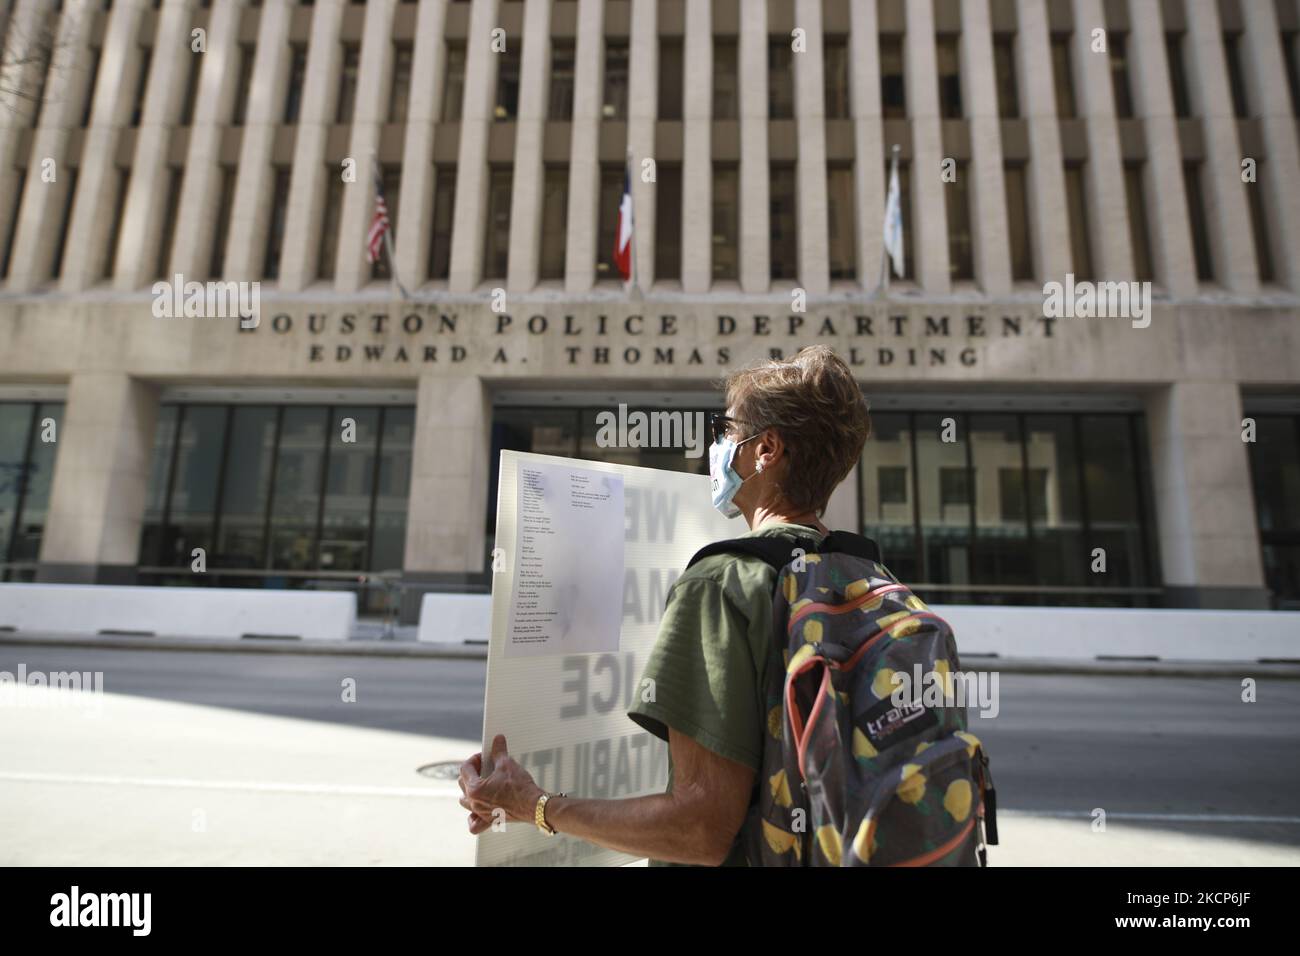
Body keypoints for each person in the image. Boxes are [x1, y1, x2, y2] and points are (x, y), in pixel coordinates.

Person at [459, 345, 873, 865]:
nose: (717, 446)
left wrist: (533, 805)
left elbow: (698, 828)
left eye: (727, 430)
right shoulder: (867, 570)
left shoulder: (723, 580)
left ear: (765, 449)